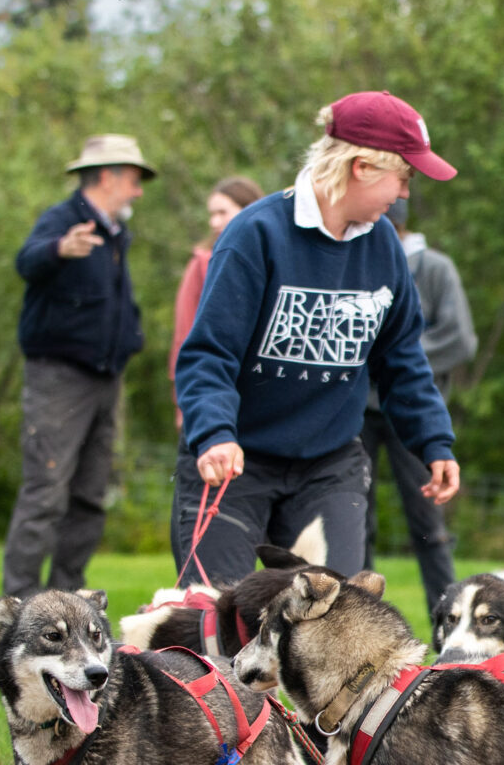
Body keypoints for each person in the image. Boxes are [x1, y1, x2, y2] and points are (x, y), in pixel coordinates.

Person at [172, 91, 461, 588]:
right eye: (405, 176)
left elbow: (402, 359)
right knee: (216, 628)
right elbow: (208, 355)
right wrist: (215, 433)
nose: (407, 193)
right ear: (364, 167)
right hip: (236, 461)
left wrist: (434, 441)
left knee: (334, 625)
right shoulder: (255, 234)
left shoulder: (384, 247)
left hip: (328, 464)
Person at [0, 133, 151, 598]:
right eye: (133, 180)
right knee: (46, 490)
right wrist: (59, 249)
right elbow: (26, 261)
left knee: (89, 496)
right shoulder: (63, 221)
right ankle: (20, 603)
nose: (138, 191)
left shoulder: (114, 233)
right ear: (107, 177)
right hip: (59, 379)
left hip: (104, 379)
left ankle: (67, 598)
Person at [362, 200, 478, 613]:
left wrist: (394, 358)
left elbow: (460, 339)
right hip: (360, 411)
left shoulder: (436, 268)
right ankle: (361, 620)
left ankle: (450, 623)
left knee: (428, 525)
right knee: (358, 519)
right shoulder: (362, 261)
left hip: (411, 413)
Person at [170, 175, 265, 425]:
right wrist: (184, 399)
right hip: (214, 391)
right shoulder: (201, 265)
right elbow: (185, 333)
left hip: (261, 391)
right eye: (212, 214)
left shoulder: (275, 258)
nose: (214, 222)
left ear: (250, 209)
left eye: (223, 213)